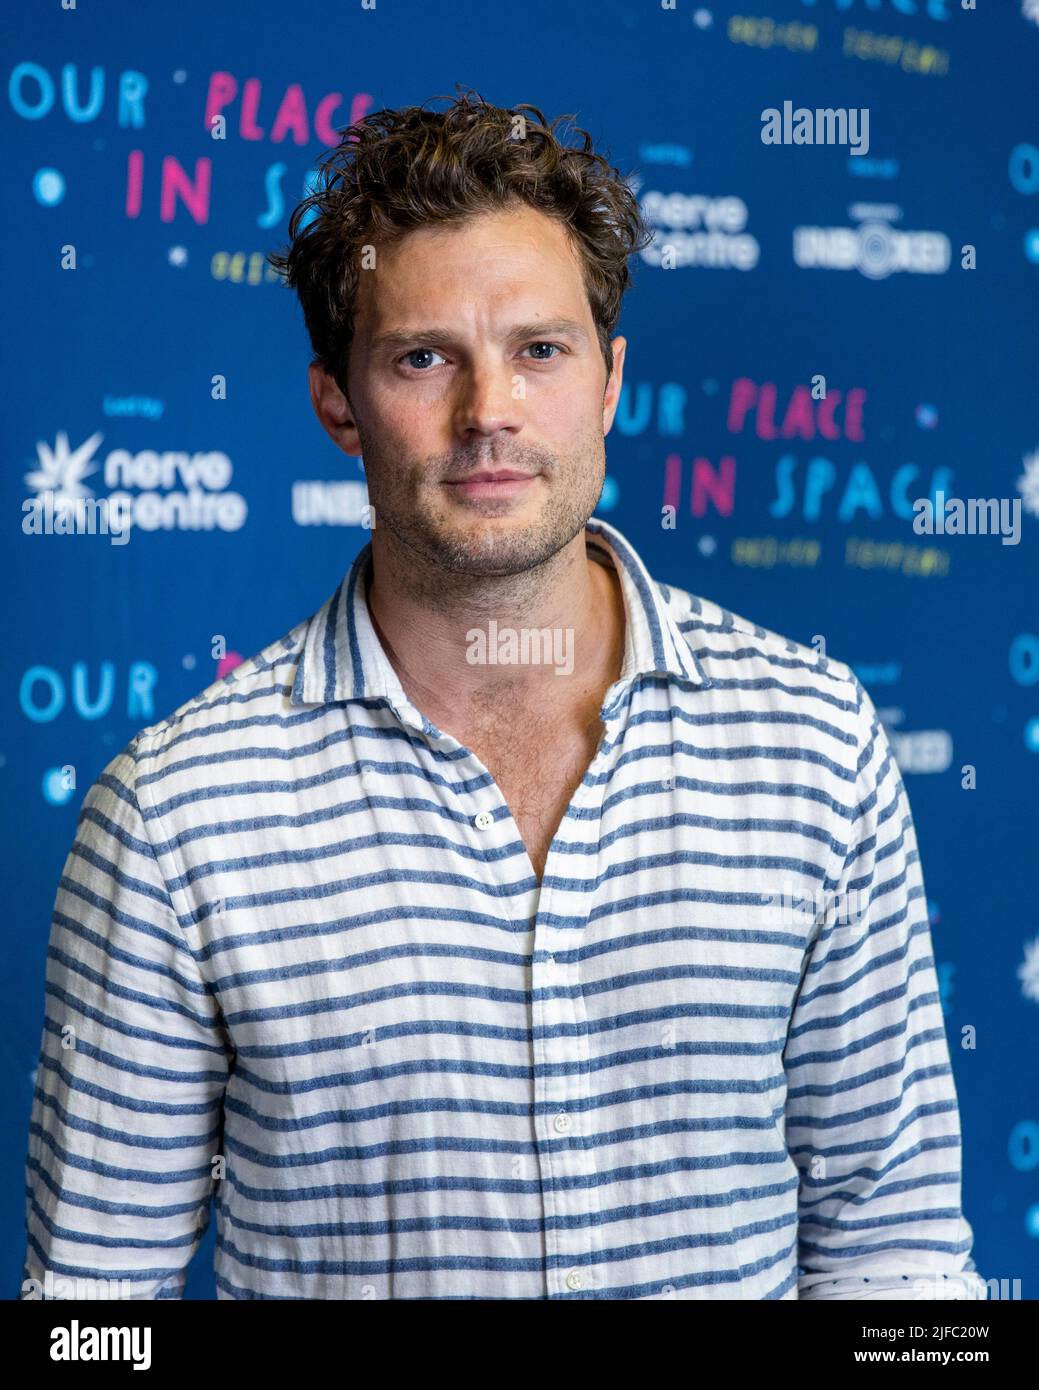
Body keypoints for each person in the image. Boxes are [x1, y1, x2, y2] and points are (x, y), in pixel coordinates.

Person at [22, 90, 985, 1301]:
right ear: (337, 404)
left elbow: (893, 1251)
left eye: (539, 349)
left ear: (609, 380)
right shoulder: (174, 818)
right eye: (424, 358)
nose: (490, 414)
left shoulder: (813, 744)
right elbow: (86, 1315)